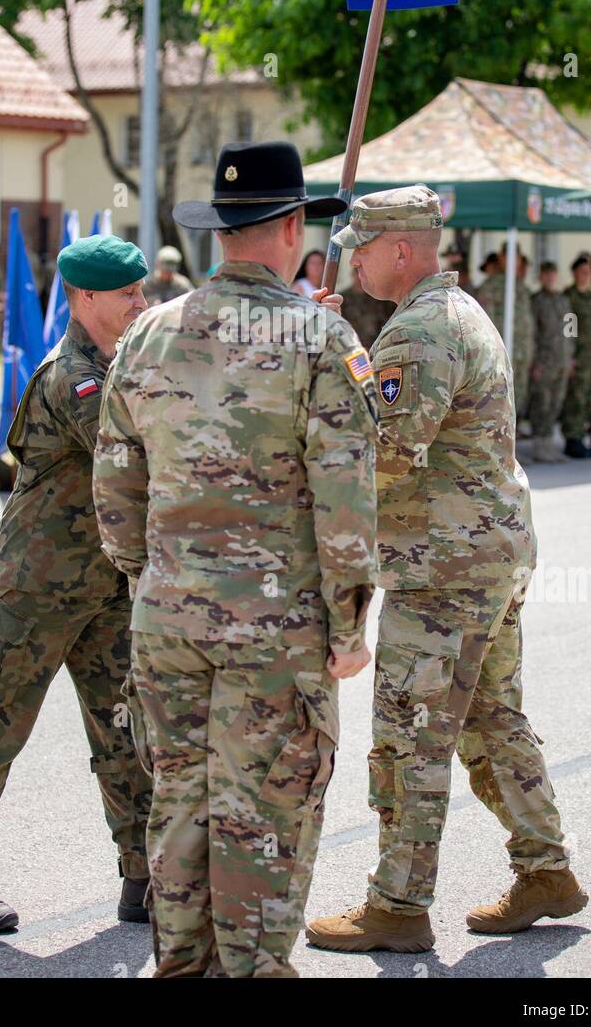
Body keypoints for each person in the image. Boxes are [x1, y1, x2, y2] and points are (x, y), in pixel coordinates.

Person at [94, 140, 378, 978]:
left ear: (222, 230)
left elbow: (115, 489)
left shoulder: (147, 333)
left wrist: (150, 580)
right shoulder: (322, 339)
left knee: (181, 796)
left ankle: (183, 967)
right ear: (293, 226)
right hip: (277, 626)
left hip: (169, 616)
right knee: (267, 808)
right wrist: (350, 626)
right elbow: (346, 505)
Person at [306, 188, 585, 955]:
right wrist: (348, 348)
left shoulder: (421, 330)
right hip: (487, 554)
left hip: (445, 570)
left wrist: (328, 373)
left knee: (411, 732)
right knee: (493, 720)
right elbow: (404, 414)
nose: (351, 259)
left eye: (360, 247)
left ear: (400, 248)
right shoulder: (452, 313)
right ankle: (546, 869)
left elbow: (387, 456)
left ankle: (398, 904)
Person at [0, 235, 153, 933]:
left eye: (143, 291)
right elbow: (142, 450)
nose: (142, 303)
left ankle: (142, 875)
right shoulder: (73, 375)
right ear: (85, 299)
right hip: (36, 591)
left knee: (125, 730)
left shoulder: (123, 361)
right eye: (128, 294)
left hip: (105, 585)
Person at [476, 246, 534, 420]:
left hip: (521, 357)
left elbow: (528, 324)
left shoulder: (521, 287)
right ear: (501, 258)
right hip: (501, 359)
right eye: (508, 257)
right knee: (497, 408)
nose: (513, 261)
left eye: (516, 257)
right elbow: (484, 327)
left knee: (517, 404)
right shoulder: (491, 287)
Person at [529, 261, 572, 462]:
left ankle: (550, 444)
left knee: (557, 402)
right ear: (540, 277)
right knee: (542, 404)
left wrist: (571, 356)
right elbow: (533, 334)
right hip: (545, 361)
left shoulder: (564, 300)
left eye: (552, 274)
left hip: (562, 361)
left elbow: (571, 330)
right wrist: (536, 362)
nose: (550, 278)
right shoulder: (536, 301)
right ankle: (540, 445)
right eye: (546, 274)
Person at [560, 253, 591, 458]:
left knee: (589, 398)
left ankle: (584, 436)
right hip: (580, 357)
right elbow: (569, 329)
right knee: (576, 398)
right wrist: (571, 356)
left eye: (589, 272)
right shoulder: (571, 297)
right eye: (582, 272)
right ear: (574, 273)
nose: (586, 276)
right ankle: (573, 438)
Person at [340, 265, 395, 348]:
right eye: (357, 274)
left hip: (377, 345)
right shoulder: (343, 298)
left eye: (363, 274)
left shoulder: (378, 296)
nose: (359, 278)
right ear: (352, 275)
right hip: (352, 345)